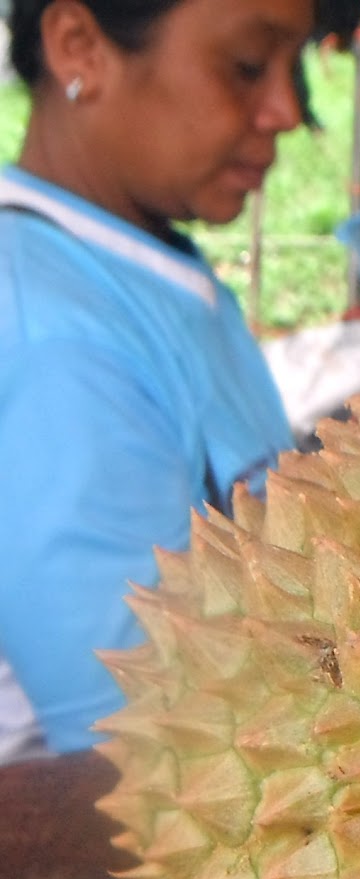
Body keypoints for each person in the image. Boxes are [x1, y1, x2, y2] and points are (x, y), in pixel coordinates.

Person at [0, 0, 314, 764]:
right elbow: (132, 753)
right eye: (247, 65)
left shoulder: (140, 261)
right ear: (80, 49)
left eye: (293, 67)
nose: (288, 110)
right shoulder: (52, 336)